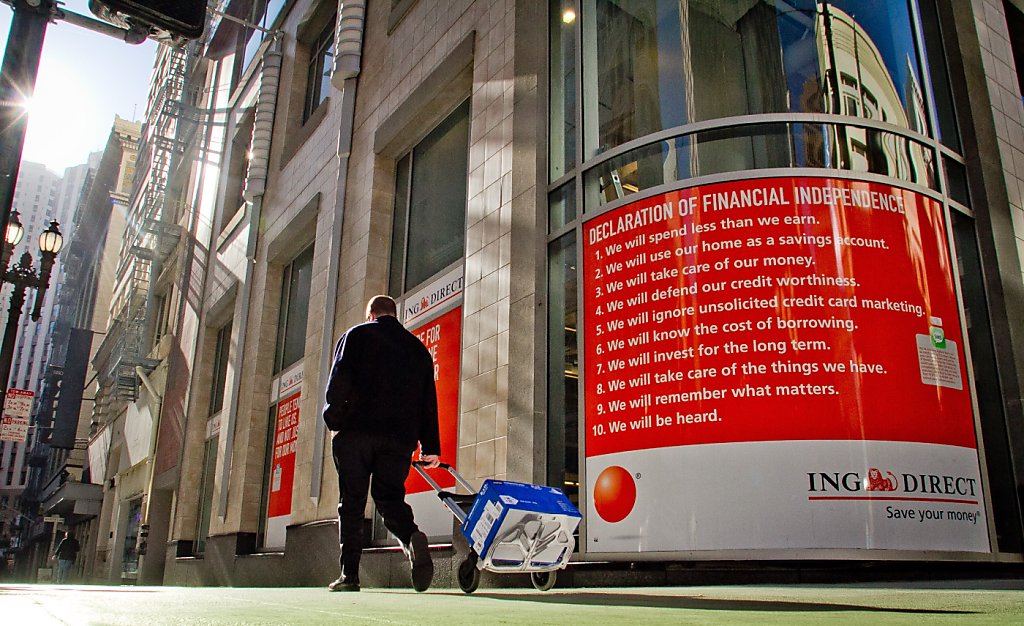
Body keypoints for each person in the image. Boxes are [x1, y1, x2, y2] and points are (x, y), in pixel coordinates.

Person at [322, 295, 441, 592]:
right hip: (398, 439)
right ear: (395, 314)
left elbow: (339, 381)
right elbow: (428, 402)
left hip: (356, 433)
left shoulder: (356, 335)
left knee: (352, 501)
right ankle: (411, 534)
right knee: (389, 498)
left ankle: (350, 575)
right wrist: (430, 447)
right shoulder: (418, 350)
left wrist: (334, 420)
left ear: (371, 313)